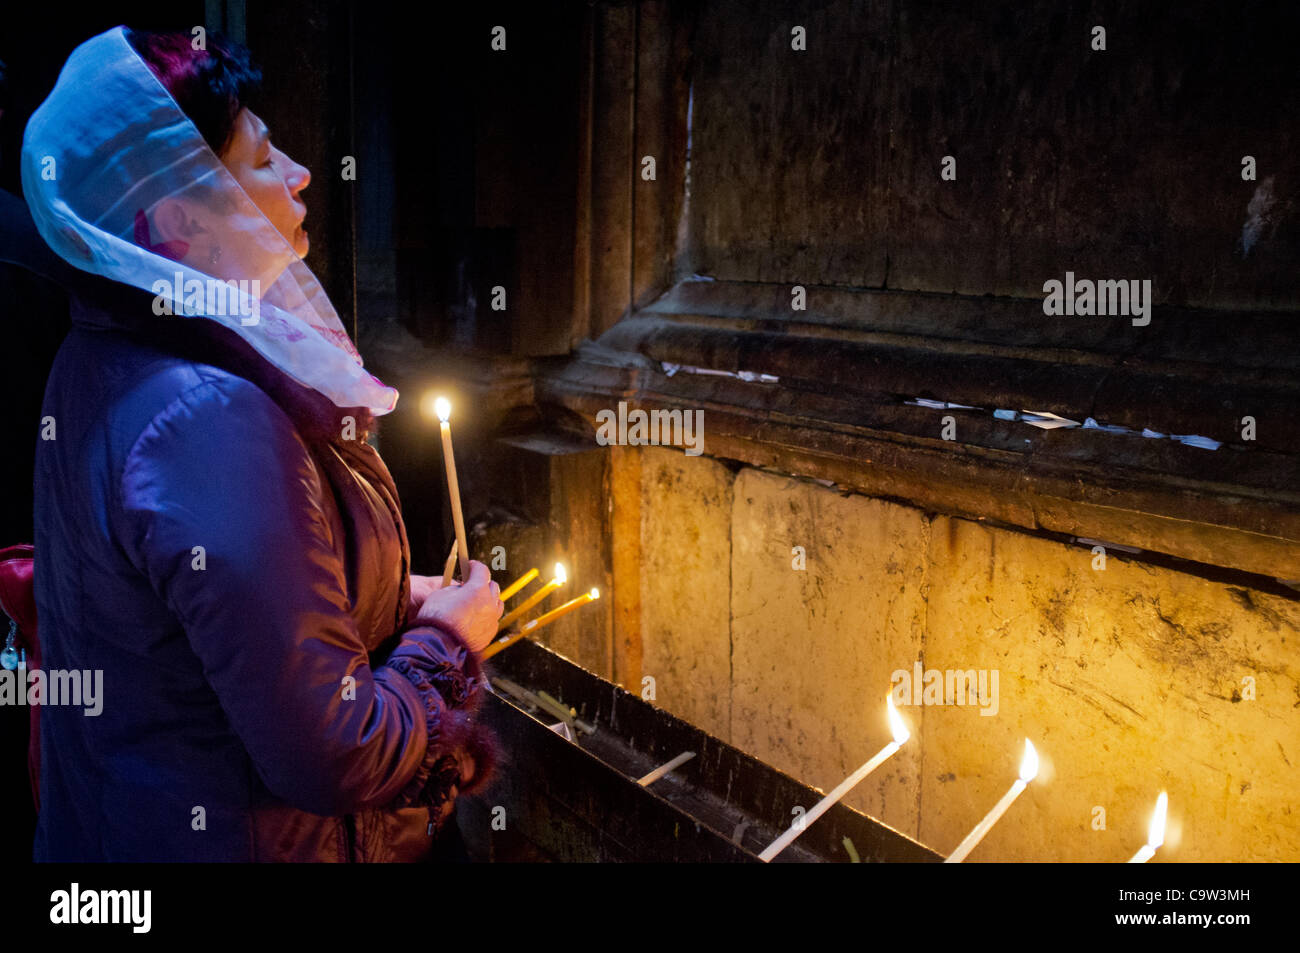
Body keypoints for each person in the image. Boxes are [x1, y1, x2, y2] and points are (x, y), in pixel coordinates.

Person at [21, 25, 503, 861]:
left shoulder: (107, 349)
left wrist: (391, 598)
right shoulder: (207, 415)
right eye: (260, 161)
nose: (300, 173)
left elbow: (230, 619)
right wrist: (446, 644)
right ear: (181, 217)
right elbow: (333, 751)